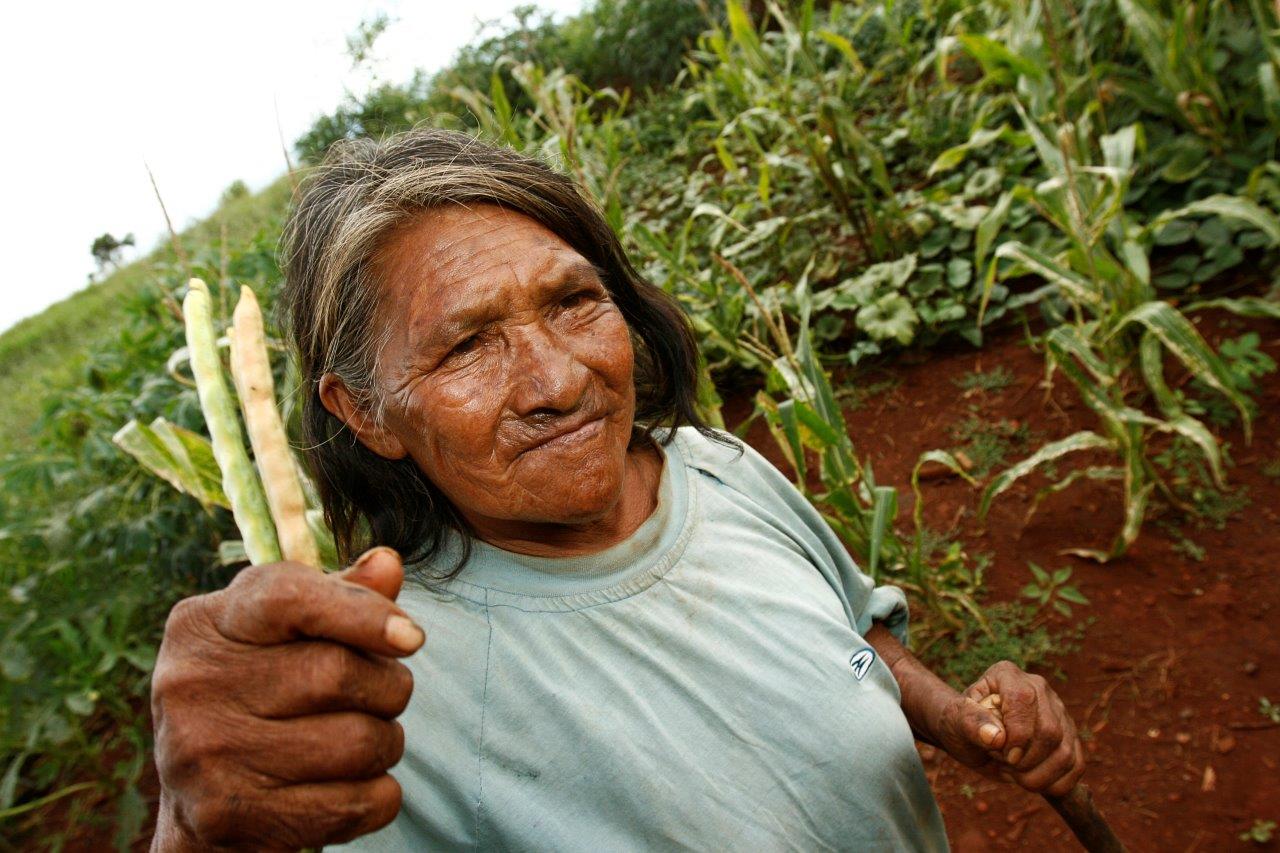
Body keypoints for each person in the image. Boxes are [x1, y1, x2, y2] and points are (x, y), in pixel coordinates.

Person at [149, 129, 1085, 851]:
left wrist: (953, 716)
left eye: (573, 301)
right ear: (366, 414)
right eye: (468, 345)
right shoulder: (383, 685)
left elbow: (850, 633)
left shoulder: (714, 466)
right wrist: (193, 834)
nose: (559, 381)